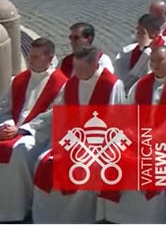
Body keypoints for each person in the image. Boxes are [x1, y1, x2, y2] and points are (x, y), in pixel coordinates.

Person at [29, 46, 126, 223]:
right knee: (43, 162)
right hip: (73, 141)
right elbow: (62, 116)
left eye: (81, 68)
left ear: (95, 65)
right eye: (75, 67)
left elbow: (117, 123)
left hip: (101, 146)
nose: (76, 72)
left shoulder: (111, 85)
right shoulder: (72, 84)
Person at [102, 45, 166, 222]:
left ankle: (150, 219)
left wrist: (152, 137)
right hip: (137, 138)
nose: (155, 65)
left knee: (153, 162)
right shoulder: (140, 85)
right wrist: (134, 133)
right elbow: (129, 112)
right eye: (152, 61)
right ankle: (118, 217)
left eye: (159, 61)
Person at [0, 38, 65, 222]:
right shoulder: (18, 80)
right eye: (30, 55)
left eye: (36, 57)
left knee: (19, 151)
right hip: (13, 127)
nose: (30, 60)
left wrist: (22, 130)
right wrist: (6, 125)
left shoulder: (60, 83)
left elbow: (52, 115)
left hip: (39, 133)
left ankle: (19, 207)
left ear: (49, 57)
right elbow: (4, 107)